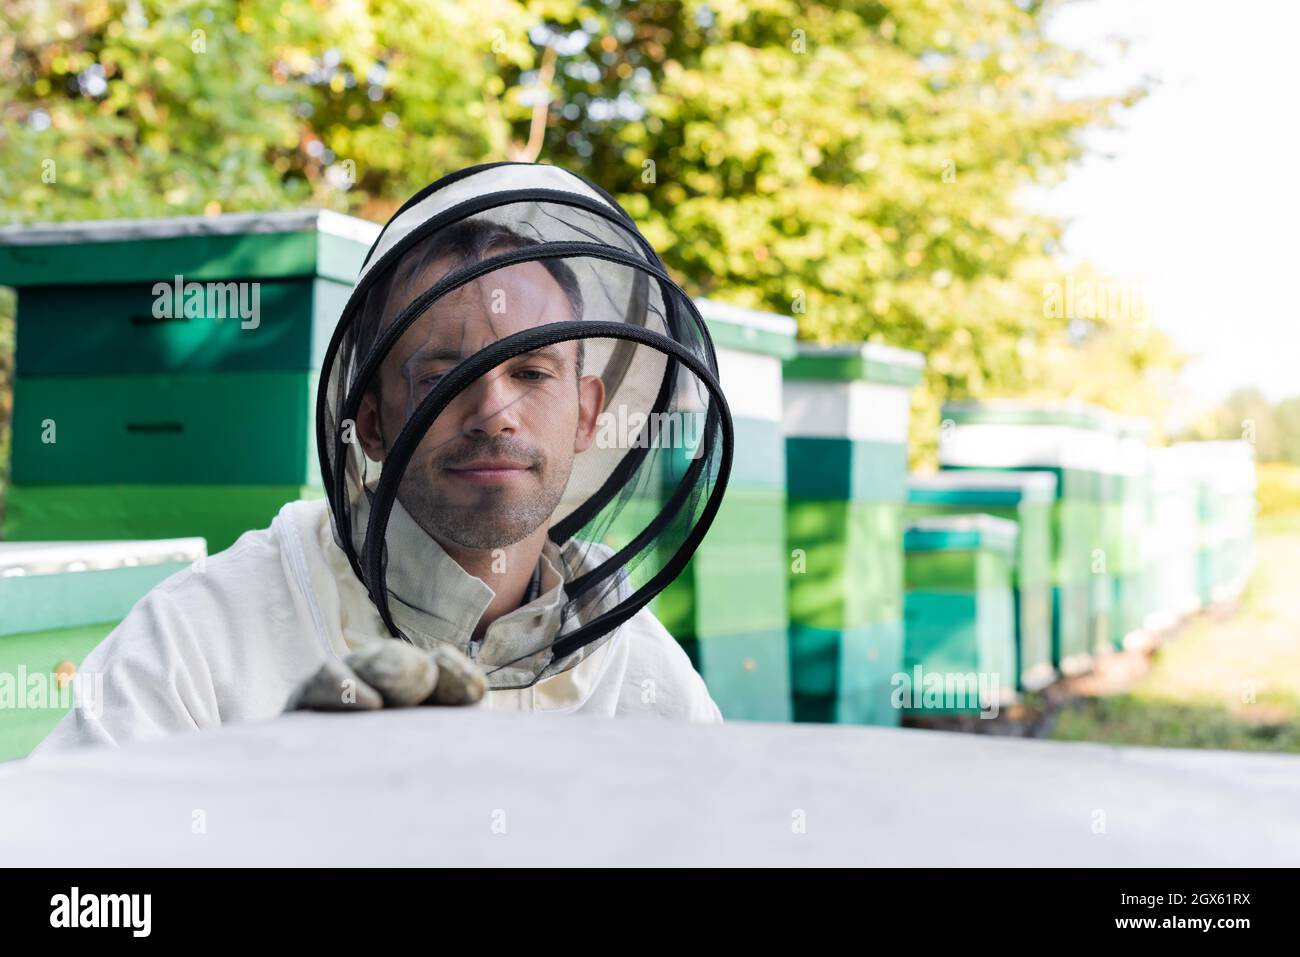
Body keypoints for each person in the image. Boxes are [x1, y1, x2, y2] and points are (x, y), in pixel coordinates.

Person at [33, 162, 731, 754]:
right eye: (441, 375)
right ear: (370, 420)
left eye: (529, 372)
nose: (493, 412)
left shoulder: (637, 667)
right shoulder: (201, 632)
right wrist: (264, 784)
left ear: (587, 412)